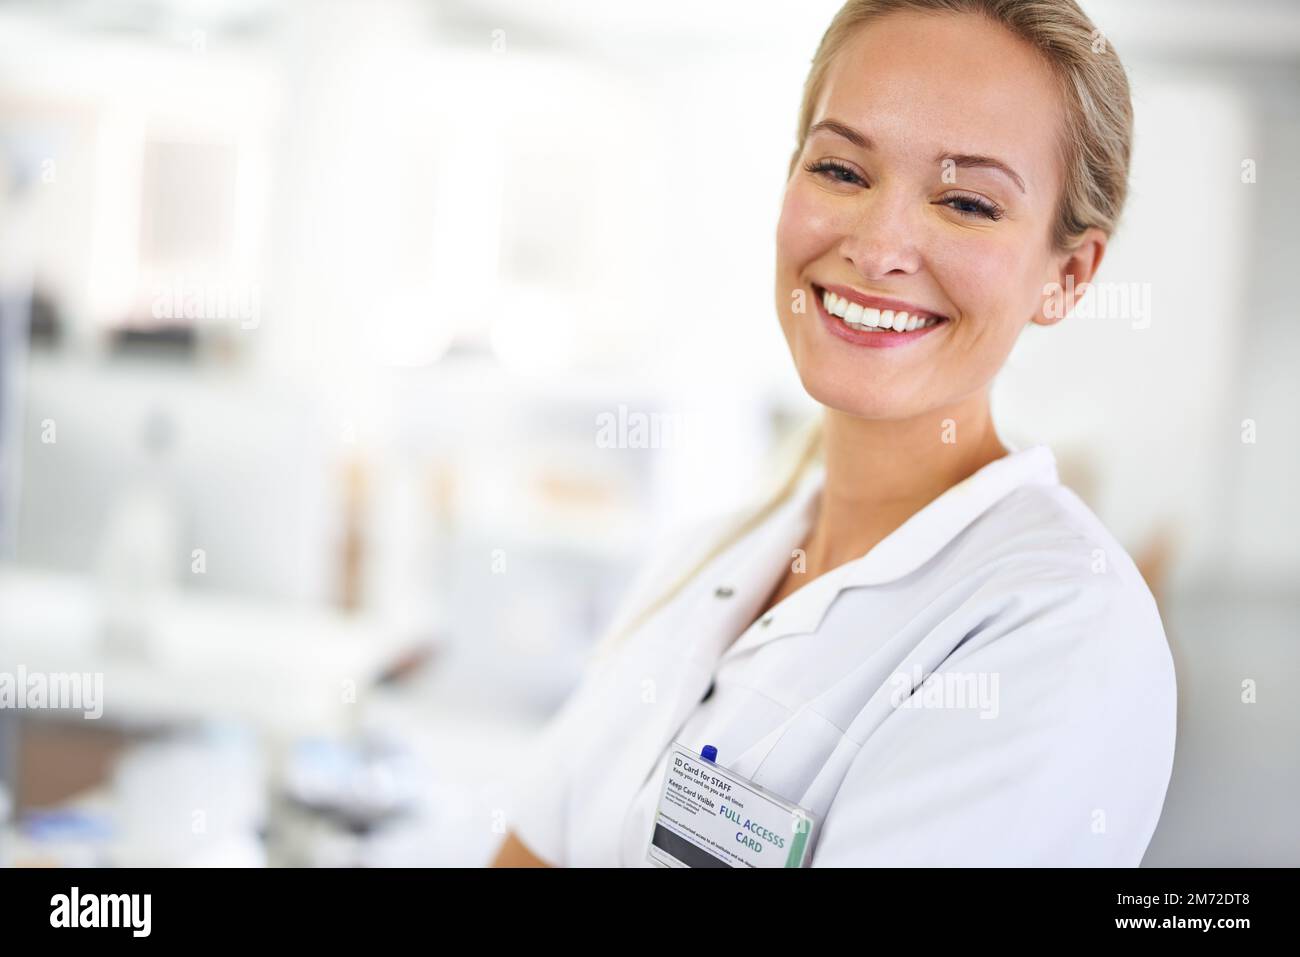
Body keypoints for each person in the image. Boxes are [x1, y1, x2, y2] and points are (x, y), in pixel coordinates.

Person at [491, 0, 1176, 867]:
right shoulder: (699, 560)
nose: (878, 244)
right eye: (843, 171)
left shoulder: (1066, 634)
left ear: (1068, 275)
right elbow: (528, 847)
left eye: (966, 202)